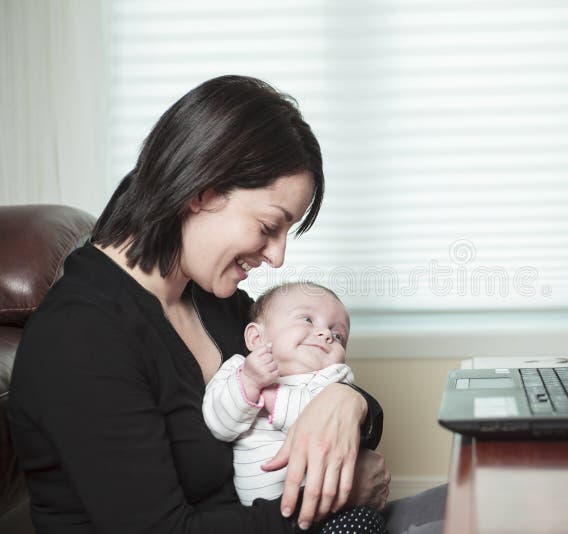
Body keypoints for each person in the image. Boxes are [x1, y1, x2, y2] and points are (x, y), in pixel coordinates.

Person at [7, 75, 447, 533]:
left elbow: (310, 379)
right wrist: (341, 497)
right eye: (269, 226)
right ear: (203, 192)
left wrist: (346, 401)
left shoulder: (217, 305)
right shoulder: (81, 337)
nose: (277, 257)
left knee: (474, 501)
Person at [203, 281, 388, 533]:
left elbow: (321, 420)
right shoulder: (237, 369)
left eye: (338, 335)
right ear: (257, 338)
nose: (326, 334)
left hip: (328, 512)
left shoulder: (330, 377)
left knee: (363, 522)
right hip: (259, 518)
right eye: (307, 320)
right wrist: (248, 383)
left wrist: (271, 400)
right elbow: (219, 425)